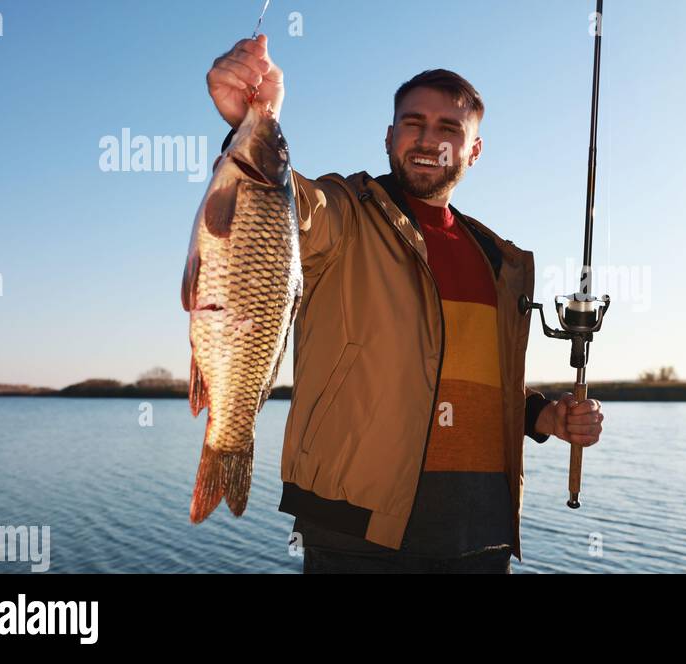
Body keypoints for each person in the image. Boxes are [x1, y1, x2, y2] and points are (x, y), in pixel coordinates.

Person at [206, 35, 605, 573]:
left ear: (474, 149)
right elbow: (286, 206)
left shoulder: (500, 260)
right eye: (413, 122)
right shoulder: (345, 211)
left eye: (449, 128)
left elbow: (475, 379)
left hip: (480, 532)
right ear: (391, 136)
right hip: (358, 528)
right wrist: (252, 124)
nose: (427, 138)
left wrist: (543, 415)